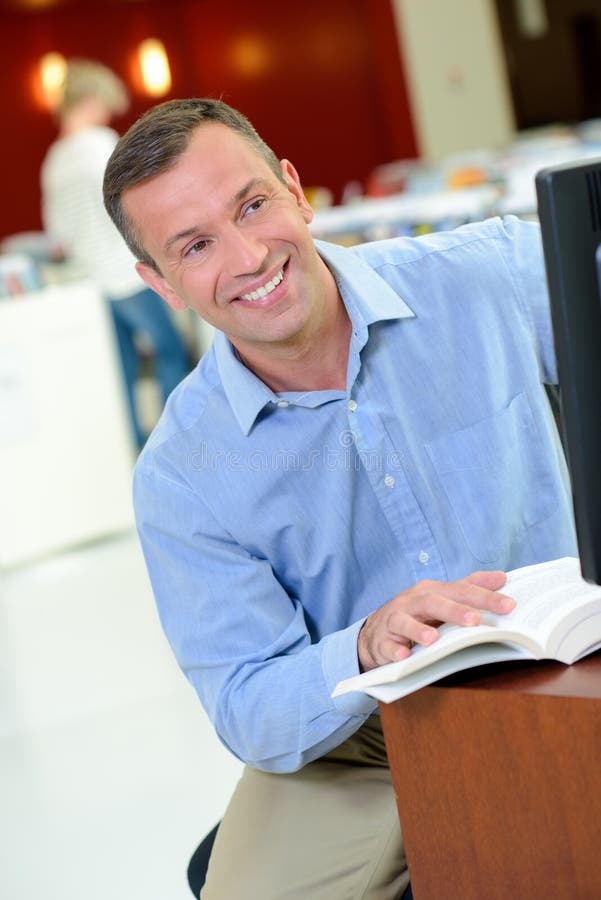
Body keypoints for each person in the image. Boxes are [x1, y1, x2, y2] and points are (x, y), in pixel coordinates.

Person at [102, 98, 577, 899]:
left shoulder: (487, 274)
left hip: (566, 664)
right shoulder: (179, 474)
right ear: (161, 284)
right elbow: (246, 700)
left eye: (252, 205)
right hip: (363, 734)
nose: (249, 256)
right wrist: (363, 645)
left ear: (293, 189)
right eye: (195, 245)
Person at [40, 59, 190, 449]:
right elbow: (136, 207)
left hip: (93, 281)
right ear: (91, 100)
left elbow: (58, 233)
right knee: (170, 351)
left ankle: (137, 445)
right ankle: (176, 441)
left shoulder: (54, 160)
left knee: (121, 369)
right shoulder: (100, 144)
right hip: (127, 272)